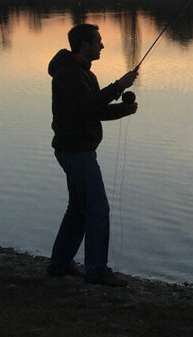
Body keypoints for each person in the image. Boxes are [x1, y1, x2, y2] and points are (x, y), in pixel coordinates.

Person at [46, 23, 138, 287]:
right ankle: (96, 271)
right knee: (97, 209)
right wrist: (119, 85)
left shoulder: (81, 73)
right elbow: (89, 105)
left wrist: (123, 110)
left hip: (73, 151)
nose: (102, 45)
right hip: (77, 153)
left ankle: (60, 264)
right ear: (85, 45)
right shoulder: (71, 75)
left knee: (78, 210)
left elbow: (92, 111)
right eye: (98, 41)